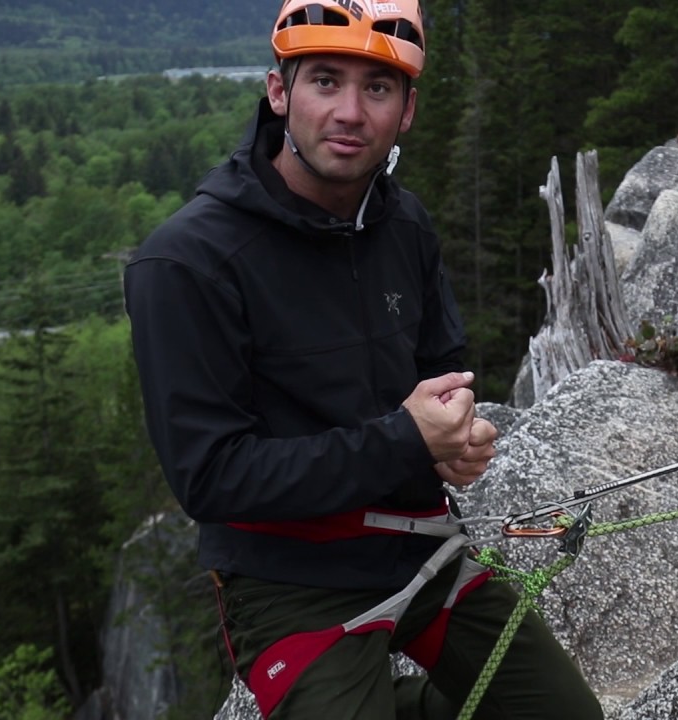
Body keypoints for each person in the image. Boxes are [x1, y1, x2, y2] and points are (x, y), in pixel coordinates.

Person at [124, 1, 603, 718]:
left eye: (377, 88)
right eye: (324, 81)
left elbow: (441, 371)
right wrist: (407, 440)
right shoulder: (188, 261)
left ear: (406, 110)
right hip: (289, 583)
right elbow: (212, 477)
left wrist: (457, 438)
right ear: (279, 91)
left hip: (421, 551)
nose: (349, 112)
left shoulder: (403, 225)